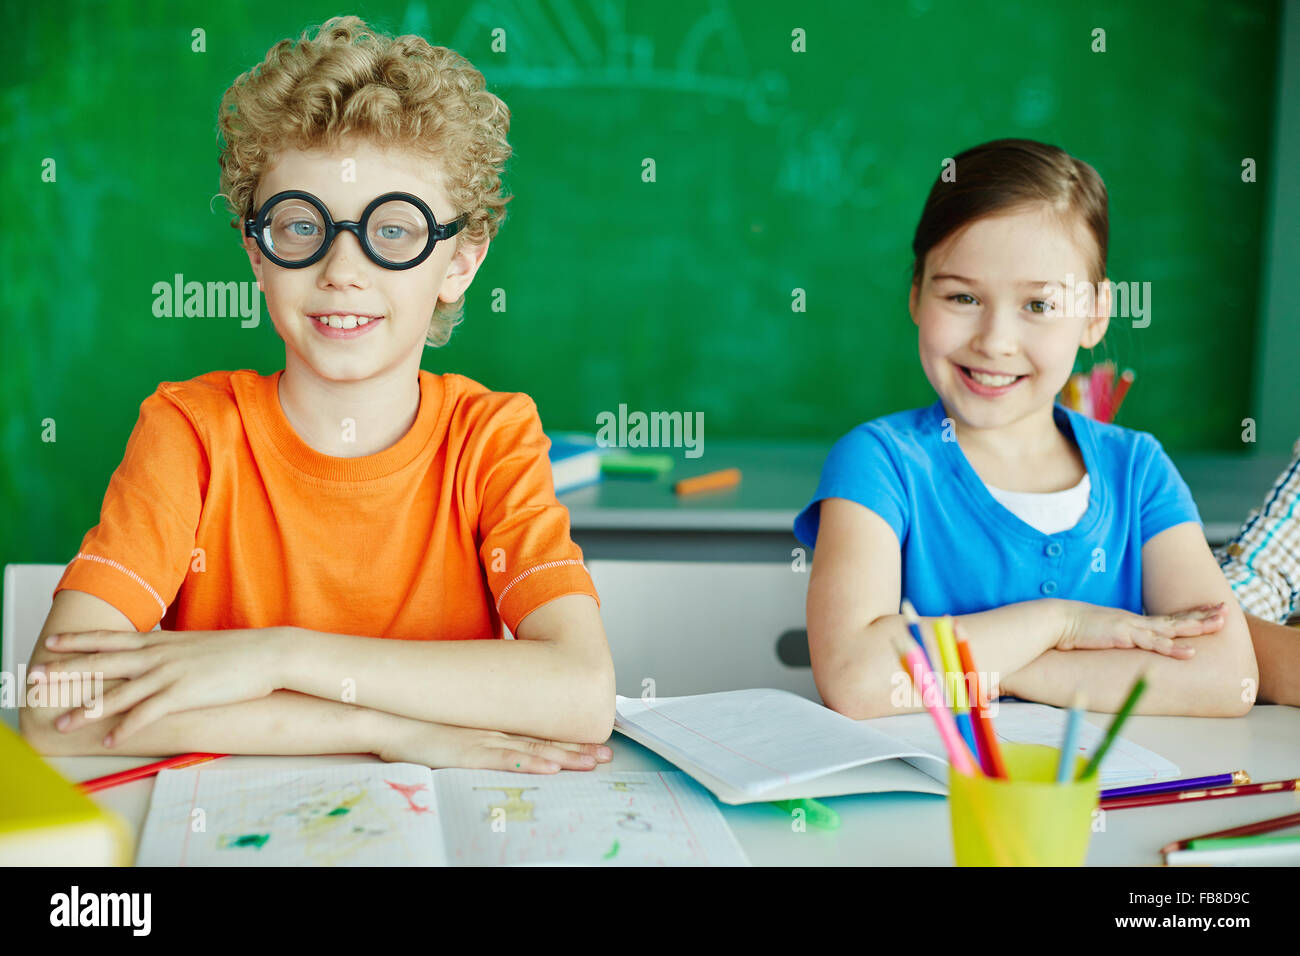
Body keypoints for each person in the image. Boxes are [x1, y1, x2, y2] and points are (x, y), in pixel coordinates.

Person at [21, 16, 615, 773]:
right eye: (300, 227)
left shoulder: (491, 437)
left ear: (461, 261)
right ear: (255, 250)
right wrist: (387, 732)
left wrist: (279, 656)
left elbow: (582, 695)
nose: (342, 270)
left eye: (393, 232)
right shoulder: (191, 431)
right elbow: (54, 708)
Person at [795, 138, 1256, 718]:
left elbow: (1226, 678)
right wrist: (1061, 622)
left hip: (1109, 807)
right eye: (963, 296)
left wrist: (998, 667)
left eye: (1038, 306)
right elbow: (856, 679)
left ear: (1094, 315)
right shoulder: (879, 463)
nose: (994, 341)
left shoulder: (1136, 470)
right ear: (916, 293)